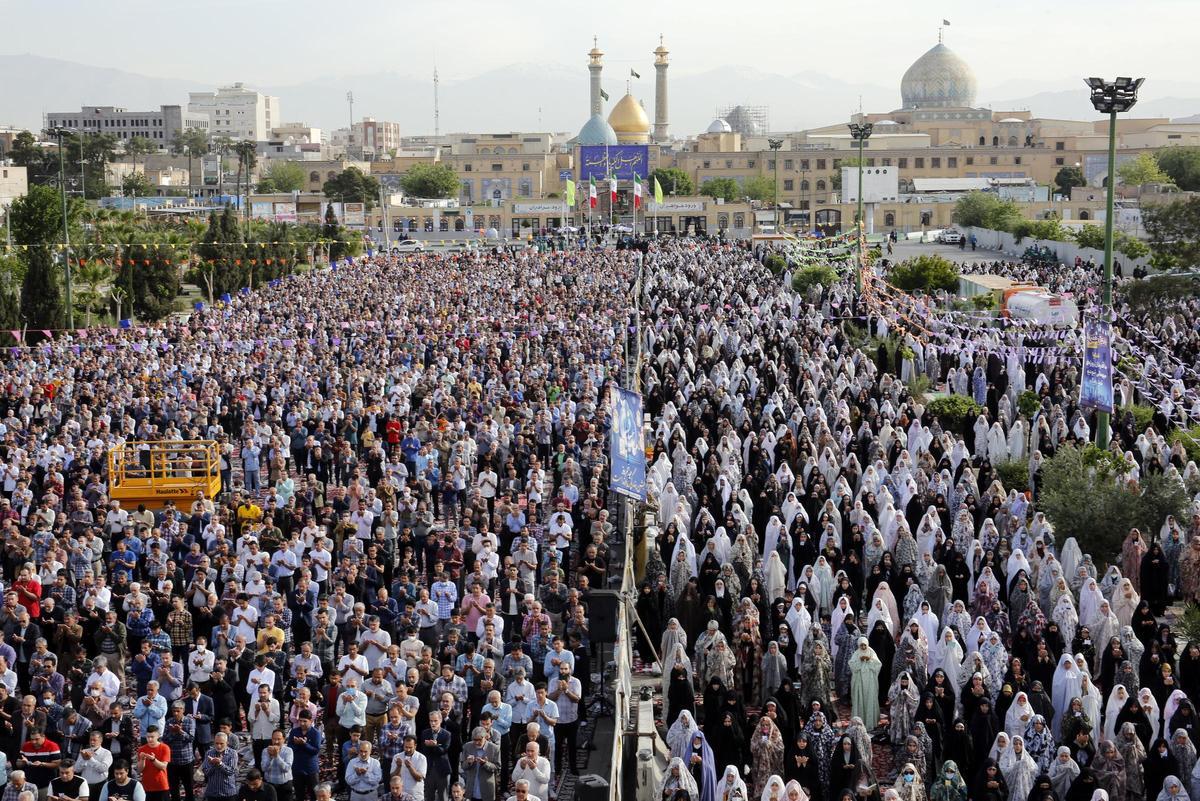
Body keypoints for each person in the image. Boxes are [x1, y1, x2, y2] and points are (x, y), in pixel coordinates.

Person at [461, 727, 500, 801]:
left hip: (487, 790)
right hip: (471, 789)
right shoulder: (467, 746)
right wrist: (468, 762)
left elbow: (497, 768)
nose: (476, 742)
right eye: (474, 740)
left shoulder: (494, 749)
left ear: (485, 737)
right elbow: (463, 766)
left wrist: (485, 764)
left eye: (479, 740)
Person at [201, 733, 239, 801]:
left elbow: (230, 772)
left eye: (221, 743)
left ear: (227, 743)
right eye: (216, 743)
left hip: (228, 793)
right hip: (213, 793)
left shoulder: (232, 753)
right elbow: (206, 773)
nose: (218, 746)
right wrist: (214, 765)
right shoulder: (209, 753)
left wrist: (220, 764)